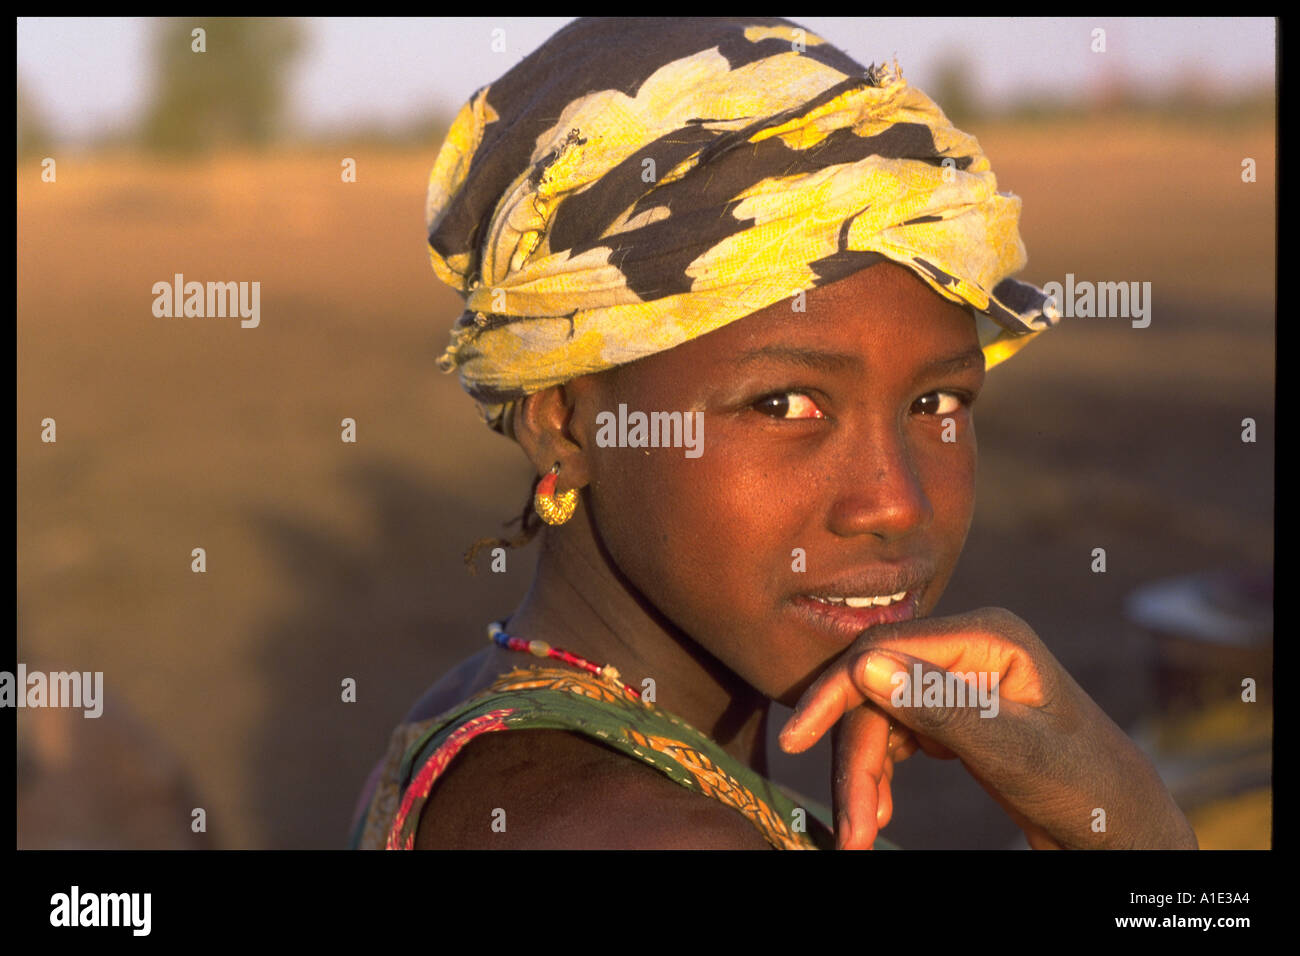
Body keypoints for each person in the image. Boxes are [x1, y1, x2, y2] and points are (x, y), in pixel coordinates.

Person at [350, 16, 1197, 850]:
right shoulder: (638, 833)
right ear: (565, 426)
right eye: (785, 405)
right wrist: (1135, 829)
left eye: (936, 405)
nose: (895, 505)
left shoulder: (483, 720)